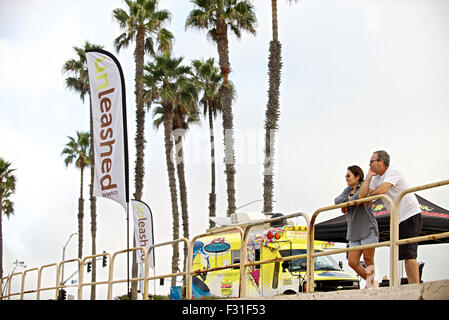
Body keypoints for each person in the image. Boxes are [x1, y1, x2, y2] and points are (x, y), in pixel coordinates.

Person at [359, 150, 422, 284]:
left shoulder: (393, 171)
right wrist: (369, 176)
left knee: (409, 254)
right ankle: (411, 285)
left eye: (372, 161)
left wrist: (371, 197)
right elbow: (362, 196)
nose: (369, 164)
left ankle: (415, 287)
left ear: (381, 162)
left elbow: (382, 190)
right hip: (398, 219)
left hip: (410, 215)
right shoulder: (376, 177)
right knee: (404, 254)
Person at [335, 165, 379, 288]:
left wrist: (347, 202)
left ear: (358, 176)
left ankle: (370, 284)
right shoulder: (347, 190)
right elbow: (337, 201)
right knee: (352, 262)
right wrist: (348, 200)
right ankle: (372, 282)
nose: (346, 178)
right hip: (354, 231)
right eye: (345, 176)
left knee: (368, 258)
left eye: (348, 176)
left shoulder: (363, 187)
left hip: (367, 228)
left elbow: (358, 197)